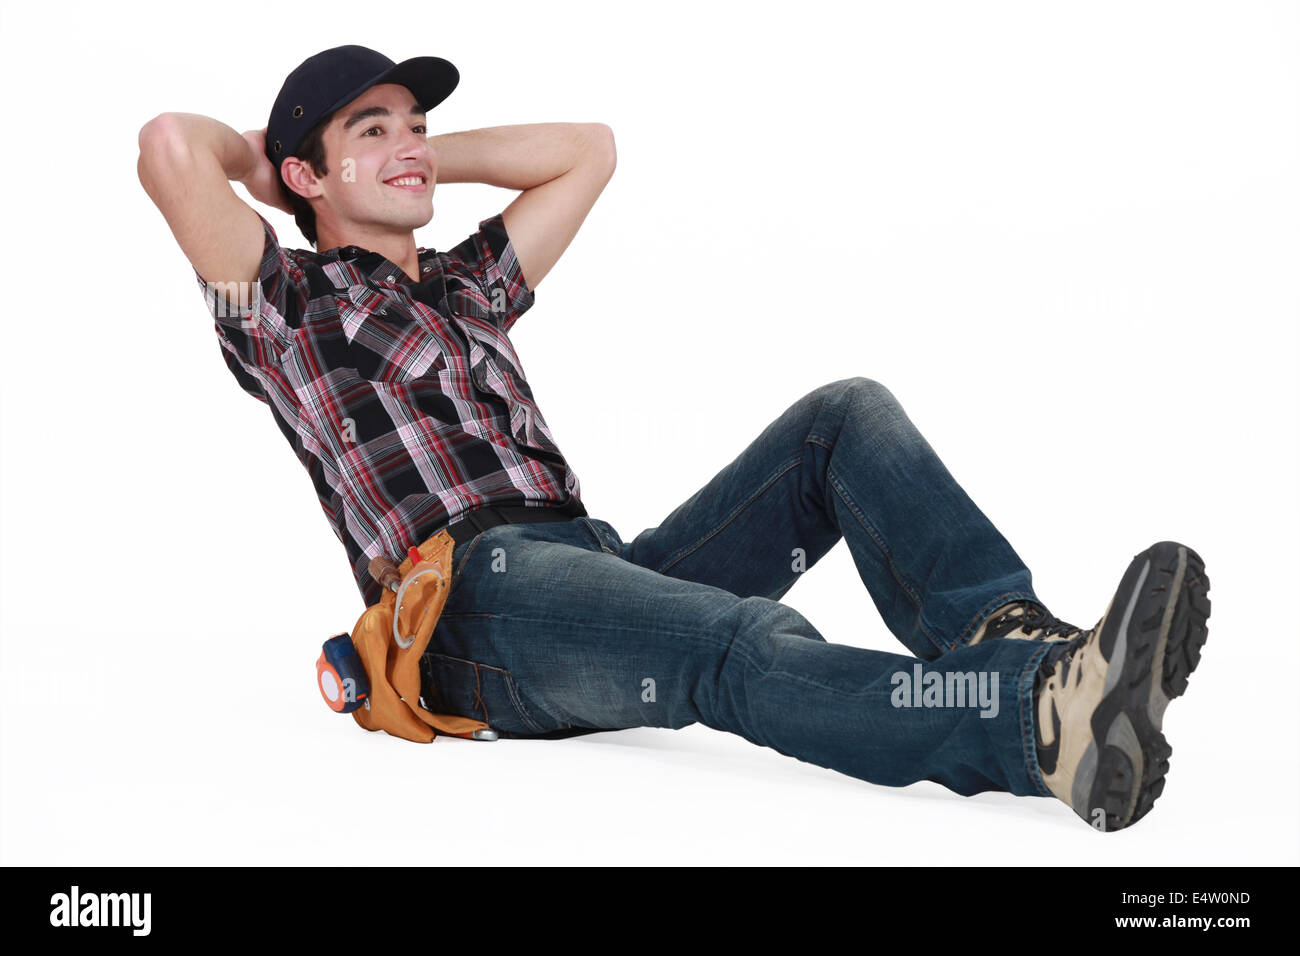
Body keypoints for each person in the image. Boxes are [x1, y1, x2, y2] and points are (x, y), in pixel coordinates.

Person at [137, 45, 1211, 831]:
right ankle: (1035, 722)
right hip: (471, 604)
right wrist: (269, 162)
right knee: (733, 643)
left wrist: (406, 161)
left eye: (411, 121)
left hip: (586, 564)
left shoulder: (464, 288)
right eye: (370, 129)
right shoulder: (289, 307)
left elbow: (586, 154)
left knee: (844, 417)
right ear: (304, 179)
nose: (407, 142)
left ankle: (1012, 646)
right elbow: (170, 147)